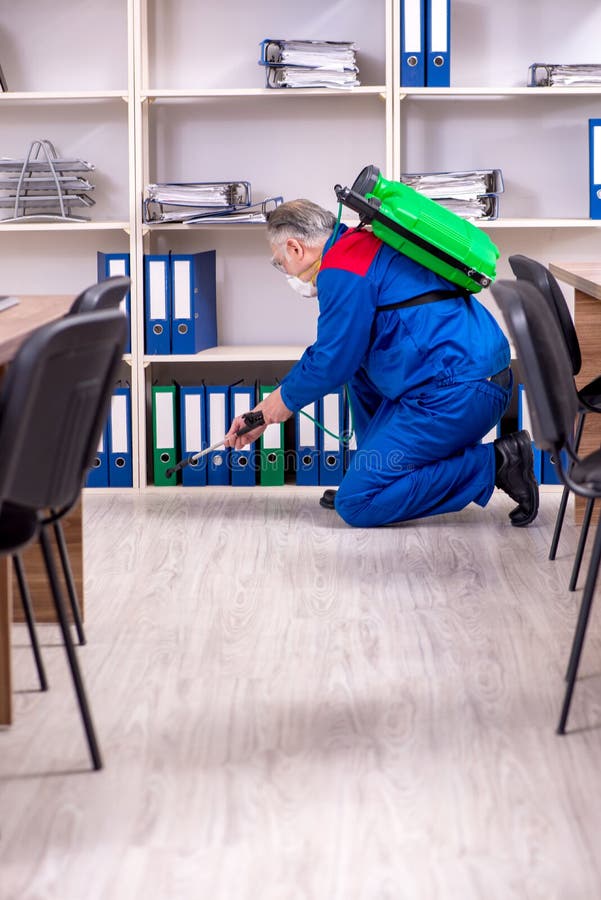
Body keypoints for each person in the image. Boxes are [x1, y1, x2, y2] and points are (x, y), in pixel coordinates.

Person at [225, 199, 538, 528]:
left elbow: (331, 361)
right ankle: (372, 475)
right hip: (464, 378)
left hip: (461, 391)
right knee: (359, 370)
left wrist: (273, 408)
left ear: (295, 248)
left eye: (280, 263)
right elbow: (340, 352)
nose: (286, 272)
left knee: (357, 504)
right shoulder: (362, 244)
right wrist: (264, 411)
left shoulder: (343, 269)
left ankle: (497, 463)